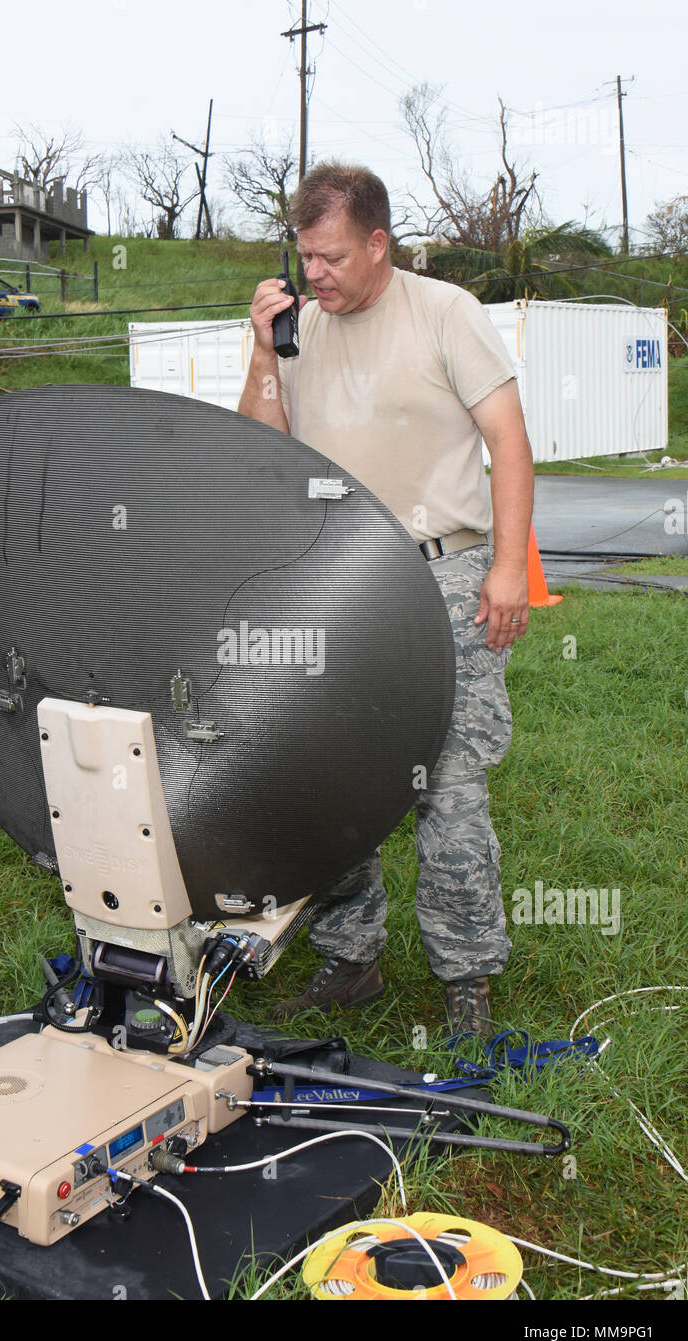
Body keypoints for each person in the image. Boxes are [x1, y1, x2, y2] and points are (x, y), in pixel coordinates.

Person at [237, 163, 534, 1036]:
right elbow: (262, 455)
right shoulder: (302, 331)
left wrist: (509, 569)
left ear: (377, 243)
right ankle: (351, 956)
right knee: (334, 776)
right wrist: (262, 353)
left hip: (445, 577)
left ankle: (467, 981)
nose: (314, 275)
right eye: (304, 259)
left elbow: (510, 445)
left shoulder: (446, 313)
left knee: (449, 786)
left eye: (329, 257)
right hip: (339, 580)